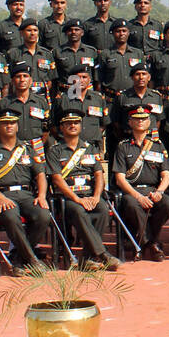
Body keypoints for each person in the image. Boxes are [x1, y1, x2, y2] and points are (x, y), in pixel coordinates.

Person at [0, 107, 52, 273]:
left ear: (17, 126)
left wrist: (42, 195)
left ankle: (18, 258)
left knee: (43, 215)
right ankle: (31, 260)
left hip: (26, 194)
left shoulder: (28, 149)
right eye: (5, 124)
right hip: (3, 195)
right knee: (10, 216)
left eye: (12, 123)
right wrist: (0, 197)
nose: (9, 126)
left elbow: (40, 175)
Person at [46, 108, 121, 270]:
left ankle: (87, 258)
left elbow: (99, 175)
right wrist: (77, 199)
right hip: (68, 197)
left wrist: (95, 196)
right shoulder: (55, 151)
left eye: (76, 123)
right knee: (79, 211)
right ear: (61, 127)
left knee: (101, 209)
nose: (72, 125)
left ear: (81, 126)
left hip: (89, 192)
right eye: (68, 123)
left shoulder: (90, 149)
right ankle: (102, 254)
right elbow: (57, 179)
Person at [112, 105, 169, 261]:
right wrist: (138, 196)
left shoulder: (158, 146)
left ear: (150, 122)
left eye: (144, 119)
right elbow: (120, 179)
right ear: (130, 122)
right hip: (132, 191)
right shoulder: (123, 147)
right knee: (132, 205)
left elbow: (166, 175)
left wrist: (160, 192)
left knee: (168, 204)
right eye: (136, 119)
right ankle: (152, 243)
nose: (140, 121)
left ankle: (141, 242)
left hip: (153, 190)